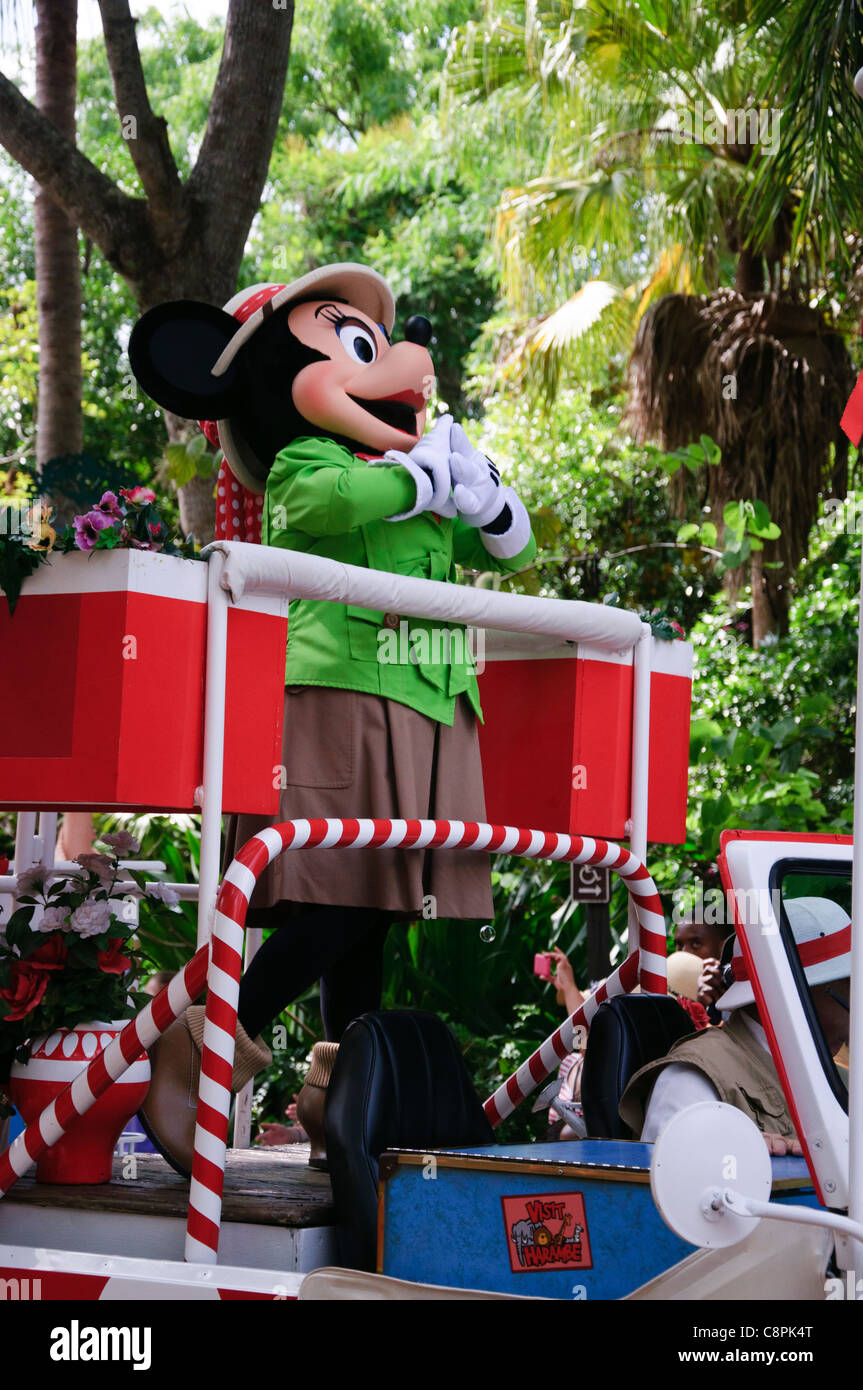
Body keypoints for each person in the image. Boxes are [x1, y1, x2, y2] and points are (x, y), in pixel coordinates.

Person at [128, 263, 537, 1176]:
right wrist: (421, 482)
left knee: (380, 912)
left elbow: (507, 544)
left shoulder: (409, 465)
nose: (383, 362)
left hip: (429, 700)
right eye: (349, 343)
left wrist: (484, 493)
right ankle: (203, 1035)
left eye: (378, 344)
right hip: (341, 693)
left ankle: (343, 1095)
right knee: (336, 899)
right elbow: (324, 507)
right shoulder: (306, 463)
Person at [620, 897, 851, 1154]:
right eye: (850, 987)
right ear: (796, 995)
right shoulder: (693, 1080)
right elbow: (670, 1184)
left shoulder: (840, 1079)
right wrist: (737, 1156)